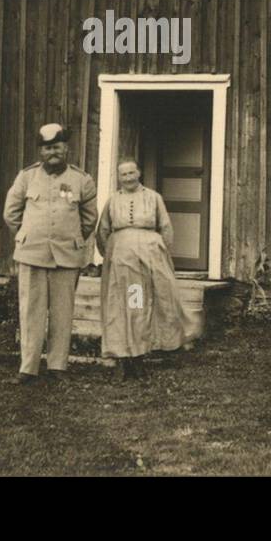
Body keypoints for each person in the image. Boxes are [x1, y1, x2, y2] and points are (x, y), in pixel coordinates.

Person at [3, 123, 97, 385]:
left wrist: (70, 238)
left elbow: (89, 219)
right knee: (31, 311)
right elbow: (11, 213)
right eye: (47, 148)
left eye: (57, 147)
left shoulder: (82, 180)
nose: (52, 152)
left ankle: (58, 366)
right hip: (32, 253)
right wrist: (28, 235)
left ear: (66, 148)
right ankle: (28, 368)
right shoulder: (26, 177)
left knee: (62, 312)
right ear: (40, 152)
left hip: (66, 256)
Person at [96, 159, 189, 380]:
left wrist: (159, 256)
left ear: (139, 173)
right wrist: (112, 255)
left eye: (131, 172)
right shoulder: (113, 201)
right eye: (123, 174)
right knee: (119, 307)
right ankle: (121, 359)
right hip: (120, 263)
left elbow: (165, 227)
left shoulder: (153, 198)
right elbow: (103, 232)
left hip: (147, 259)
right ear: (119, 177)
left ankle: (138, 359)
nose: (128, 178)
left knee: (138, 304)